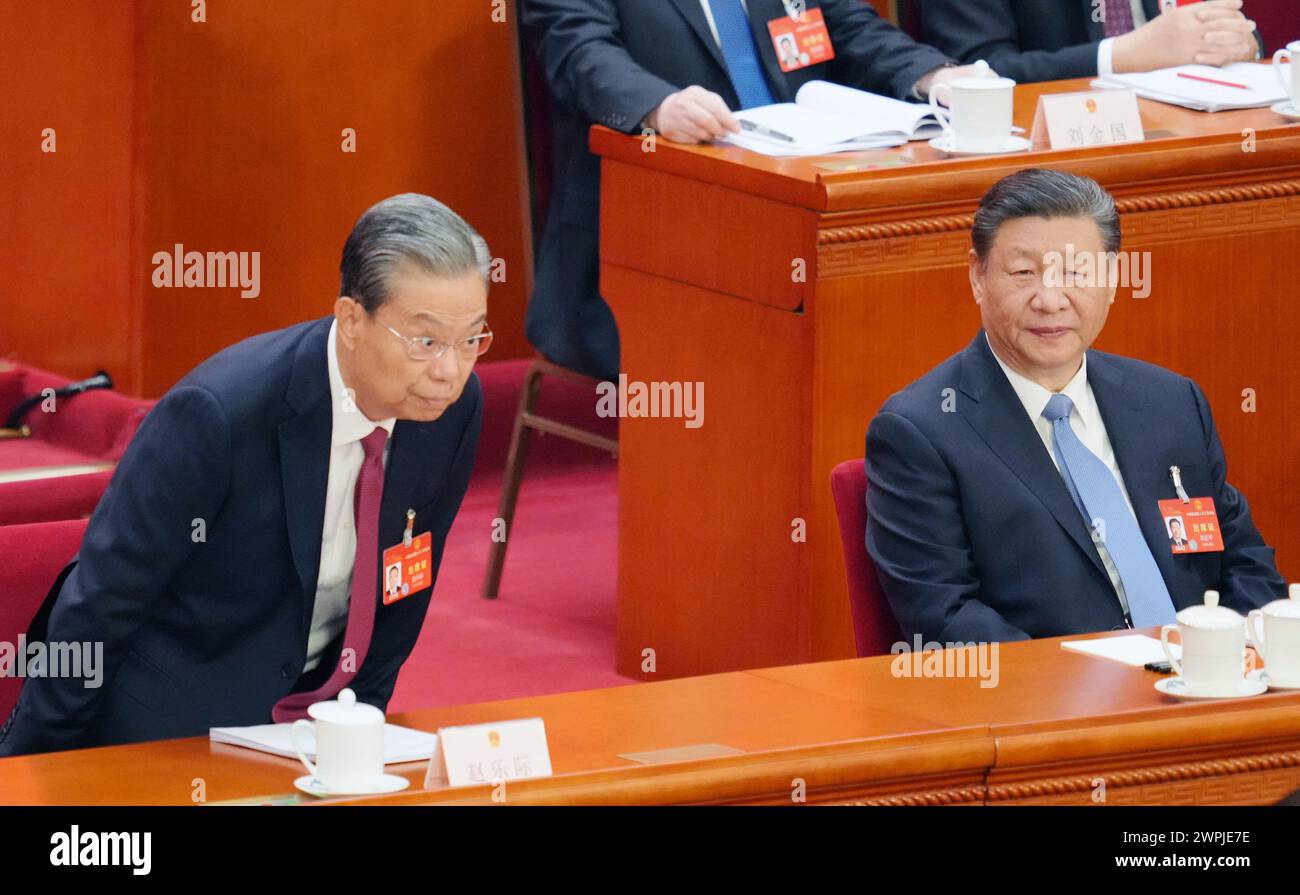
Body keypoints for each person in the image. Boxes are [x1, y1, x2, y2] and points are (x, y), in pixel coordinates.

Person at [0, 194, 489, 755]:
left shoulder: (451, 411)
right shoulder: (221, 413)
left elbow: (406, 580)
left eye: (472, 338)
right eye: (426, 342)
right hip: (176, 729)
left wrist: (365, 730)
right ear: (352, 320)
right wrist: (27, 771)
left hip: (324, 723)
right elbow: (103, 600)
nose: (449, 371)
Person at [865, 168, 1283, 644]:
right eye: (1023, 273)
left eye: (1076, 273)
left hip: (1208, 684)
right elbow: (945, 617)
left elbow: (1242, 560)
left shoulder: (1170, 401)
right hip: (1057, 703)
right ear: (977, 277)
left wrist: (1243, 656)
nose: (1050, 299)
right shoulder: (921, 430)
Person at [522, 0, 989, 382]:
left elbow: (847, 24)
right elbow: (577, 49)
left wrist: (932, 75)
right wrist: (658, 107)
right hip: (664, 225)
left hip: (813, 190)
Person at [918, 0, 1260, 84]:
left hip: (1191, 125)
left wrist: (1238, 42)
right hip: (1047, 168)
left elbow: (1220, 20)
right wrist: (1116, 56)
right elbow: (976, 75)